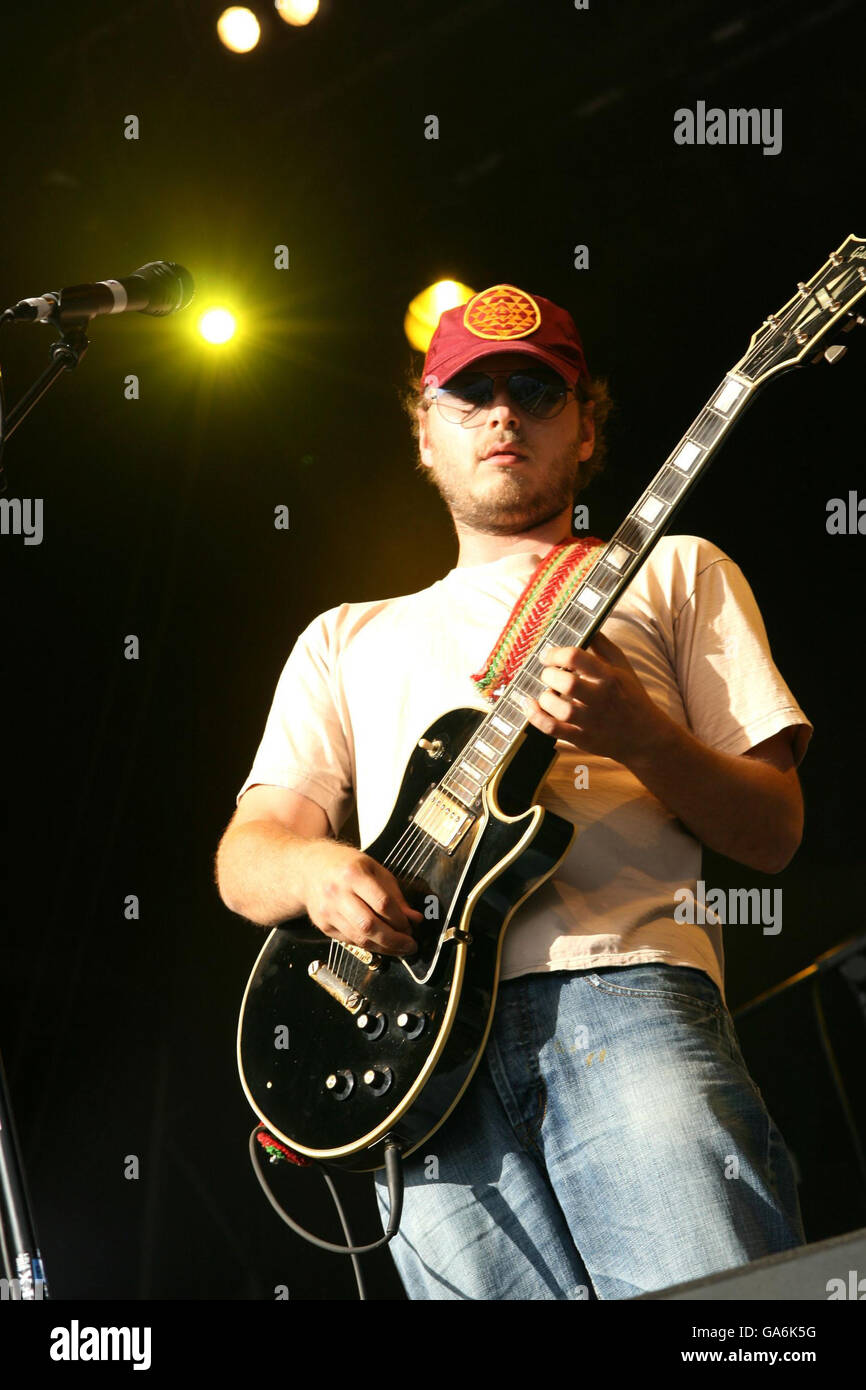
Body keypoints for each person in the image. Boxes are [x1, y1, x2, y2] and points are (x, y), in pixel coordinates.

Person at [215, 282, 812, 1300]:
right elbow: (247, 852)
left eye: (536, 390)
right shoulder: (344, 636)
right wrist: (319, 874)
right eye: (470, 391)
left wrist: (640, 734)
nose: (502, 413)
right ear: (425, 433)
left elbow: (772, 832)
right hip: (410, 1065)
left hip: (621, 1000)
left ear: (585, 431)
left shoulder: (670, 570)